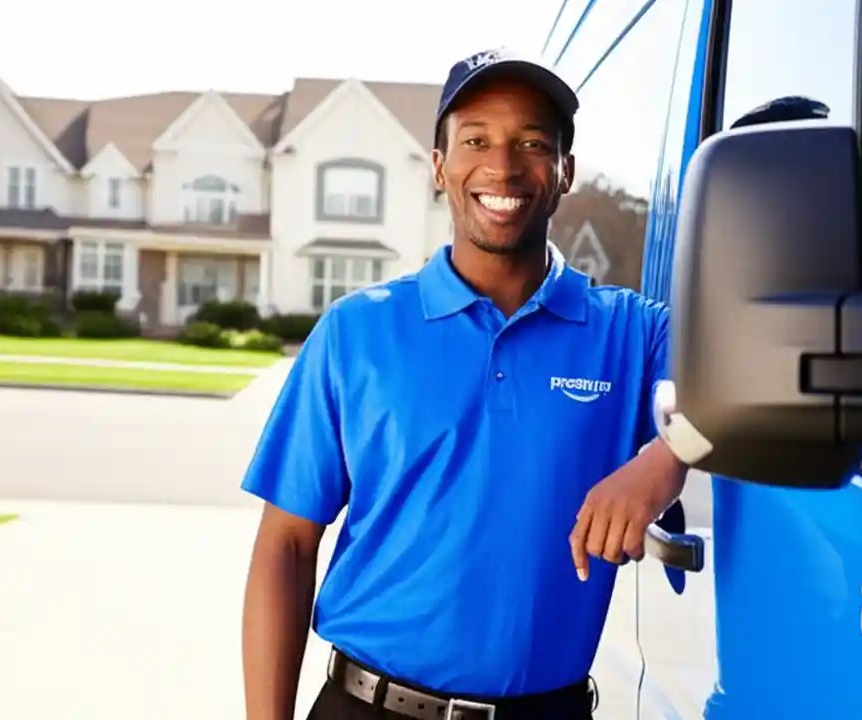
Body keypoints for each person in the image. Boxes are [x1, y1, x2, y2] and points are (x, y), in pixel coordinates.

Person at [240, 47, 689, 720]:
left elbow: (748, 371)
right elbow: (286, 545)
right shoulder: (355, 334)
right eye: (476, 140)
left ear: (565, 171)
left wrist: (666, 458)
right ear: (440, 167)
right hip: (369, 708)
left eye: (532, 142)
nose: (503, 165)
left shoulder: (631, 333)